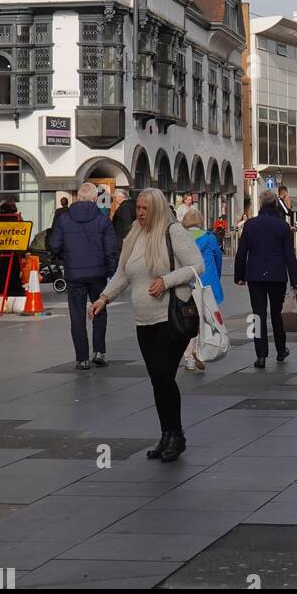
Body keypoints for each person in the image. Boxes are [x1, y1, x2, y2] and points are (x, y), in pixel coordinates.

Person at [92, 188, 203, 461]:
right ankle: (166, 433)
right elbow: (122, 273)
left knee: (164, 374)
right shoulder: (134, 235)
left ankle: (177, 436)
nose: (140, 213)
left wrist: (166, 281)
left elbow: (197, 265)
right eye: (138, 208)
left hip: (170, 316)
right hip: (144, 320)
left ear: (156, 208)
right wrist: (104, 298)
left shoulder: (172, 232)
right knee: (157, 378)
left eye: (145, 209)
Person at [49, 181, 118, 369]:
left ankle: (82, 358)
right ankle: (99, 352)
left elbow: (54, 245)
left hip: (74, 274)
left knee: (77, 315)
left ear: (77, 197)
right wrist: (114, 272)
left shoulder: (64, 218)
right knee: (100, 310)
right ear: (95, 198)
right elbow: (111, 249)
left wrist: (67, 257)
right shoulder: (103, 219)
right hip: (98, 273)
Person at [234, 188, 297, 367]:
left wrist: (239, 276)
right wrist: (295, 280)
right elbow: (289, 255)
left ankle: (261, 355)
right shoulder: (282, 226)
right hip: (277, 275)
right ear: (274, 204)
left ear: (262, 204)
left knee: (258, 315)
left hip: (255, 275)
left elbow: (241, 253)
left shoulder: (250, 225)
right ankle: (281, 349)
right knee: (277, 313)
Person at [181, 208, 223, 371]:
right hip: (208, 286)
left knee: (189, 322)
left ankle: (189, 358)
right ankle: (202, 351)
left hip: (188, 284)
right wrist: (216, 278)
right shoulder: (210, 239)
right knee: (206, 321)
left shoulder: (182, 239)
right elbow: (218, 260)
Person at [0, 200, 26, 297]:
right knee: (13, 271)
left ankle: (0, 292)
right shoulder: (17, 217)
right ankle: (13, 291)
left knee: (2, 273)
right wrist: (24, 253)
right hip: (14, 249)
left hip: (1, 250)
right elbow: (22, 235)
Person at [109, 187, 136, 260]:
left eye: (116, 197)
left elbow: (127, 224)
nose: (115, 199)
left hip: (122, 242)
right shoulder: (130, 205)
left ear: (121, 197)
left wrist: (126, 240)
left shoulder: (125, 207)